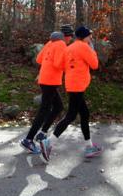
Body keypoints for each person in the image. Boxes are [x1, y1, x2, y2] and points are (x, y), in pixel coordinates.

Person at [40, 26, 100, 162]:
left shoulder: (69, 48)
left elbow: (60, 65)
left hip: (71, 84)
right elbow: (95, 65)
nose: (91, 38)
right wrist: (92, 49)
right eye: (90, 35)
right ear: (84, 36)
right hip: (78, 85)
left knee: (84, 113)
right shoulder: (84, 47)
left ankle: (89, 146)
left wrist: (73, 67)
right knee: (71, 115)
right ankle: (48, 142)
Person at [20, 31, 67, 154]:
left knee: (58, 107)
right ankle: (28, 139)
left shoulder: (49, 43)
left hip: (44, 80)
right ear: (65, 37)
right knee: (44, 110)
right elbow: (58, 64)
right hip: (51, 81)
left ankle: (42, 133)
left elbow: (39, 59)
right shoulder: (61, 44)